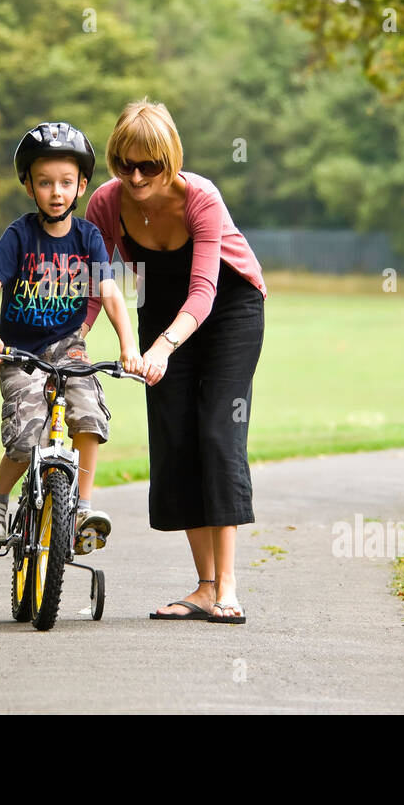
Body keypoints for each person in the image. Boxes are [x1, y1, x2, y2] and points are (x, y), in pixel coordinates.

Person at [81, 99, 267, 623]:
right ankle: (204, 587)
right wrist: (77, 337)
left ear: (170, 159)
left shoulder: (200, 198)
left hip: (229, 307)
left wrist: (162, 347)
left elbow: (205, 291)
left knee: (216, 433)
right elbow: (100, 283)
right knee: (176, 436)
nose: (136, 177)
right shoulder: (106, 204)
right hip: (160, 304)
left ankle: (228, 587)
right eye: (125, 165)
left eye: (149, 166)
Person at [0, 121, 144, 555]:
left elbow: (108, 292)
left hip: (69, 348)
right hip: (18, 351)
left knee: (88, 413)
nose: (56, 192)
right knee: (28, 428)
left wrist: (129, 348)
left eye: (66, 183)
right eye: (45, 182)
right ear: (29, 186)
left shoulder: (87, 237)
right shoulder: (19, 234)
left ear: (82, 186)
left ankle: (82, 508)